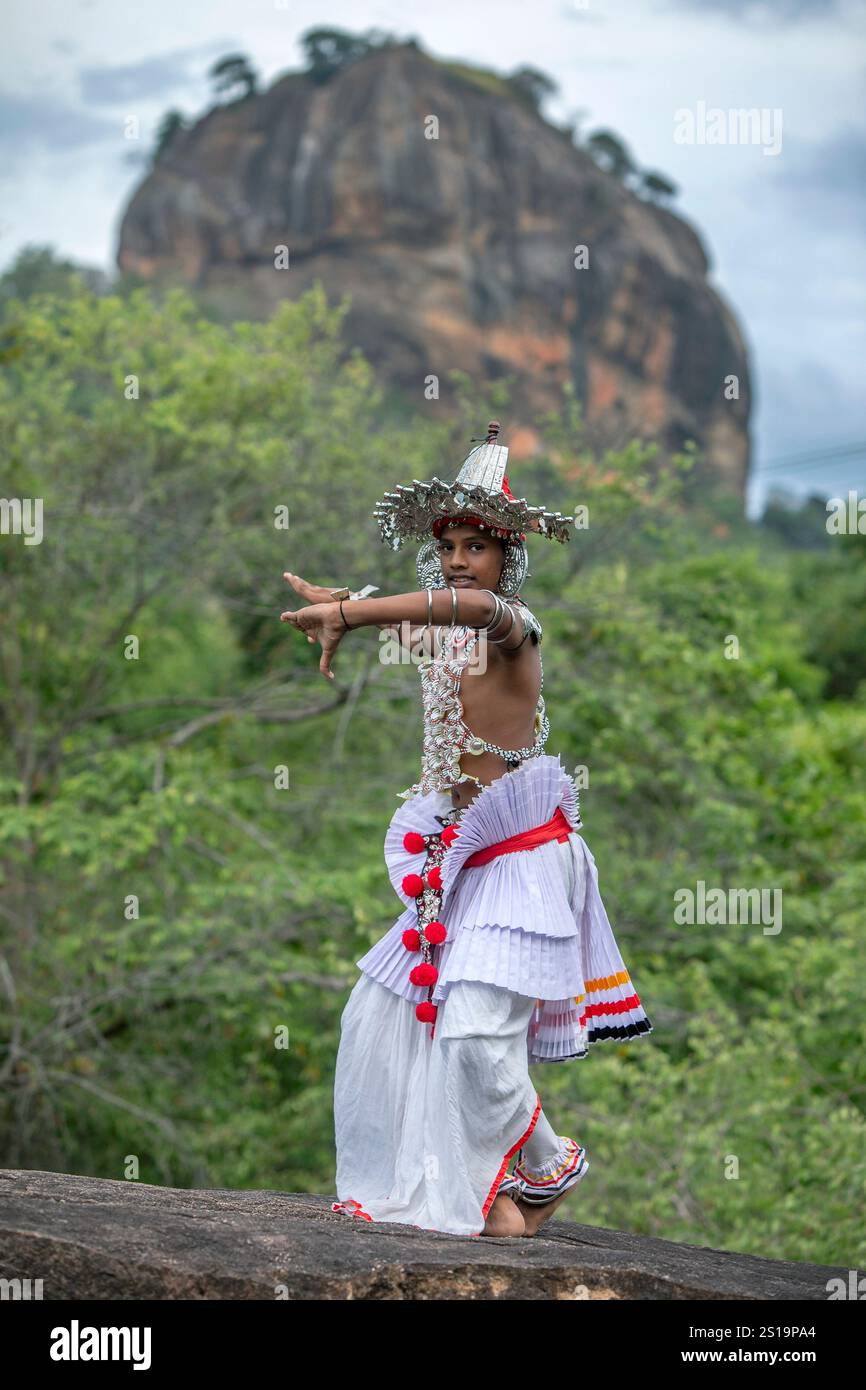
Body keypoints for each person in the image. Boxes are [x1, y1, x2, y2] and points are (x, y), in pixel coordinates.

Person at [280, 422, 652, 1239]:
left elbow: (465, 607)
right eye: (447, 542)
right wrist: (344, 610)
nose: (457, 557)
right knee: (375, 1011)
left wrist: (356, 610)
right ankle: (489, 1183)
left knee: (478, 1034)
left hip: (524, 862)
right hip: (462, 858)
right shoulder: (446, 633)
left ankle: (544, 1165)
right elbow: (429, 617)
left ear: (506, 557)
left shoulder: (511, 625)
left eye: (477, 544)